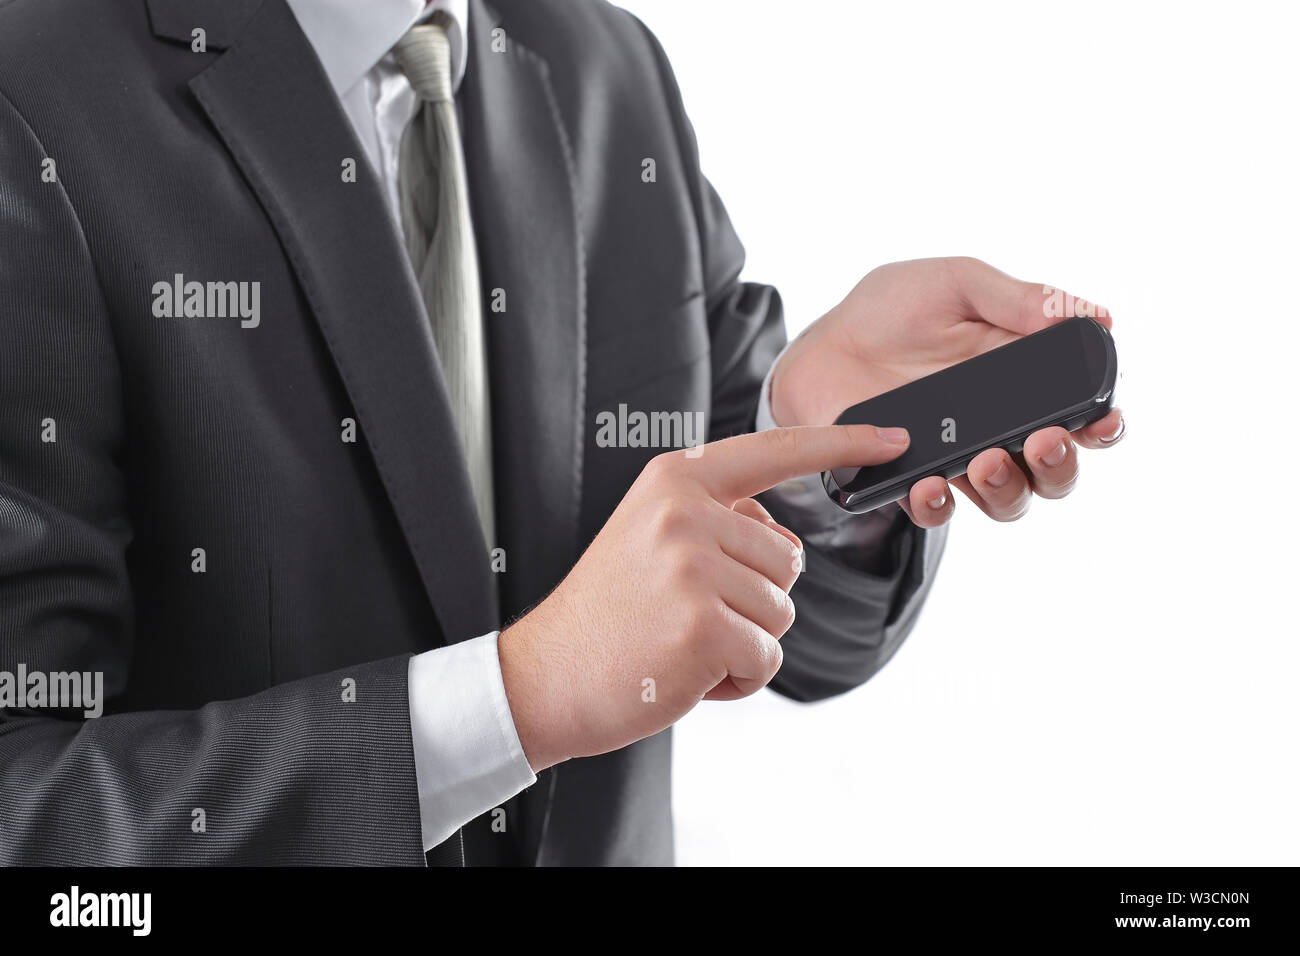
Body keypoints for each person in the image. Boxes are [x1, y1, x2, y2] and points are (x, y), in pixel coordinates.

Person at [0, 0, 1124, 865]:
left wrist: (815, 438)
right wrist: (521, 696)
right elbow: (29, 813)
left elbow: (805, 626)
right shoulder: (30, 94)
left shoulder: (602, 67)